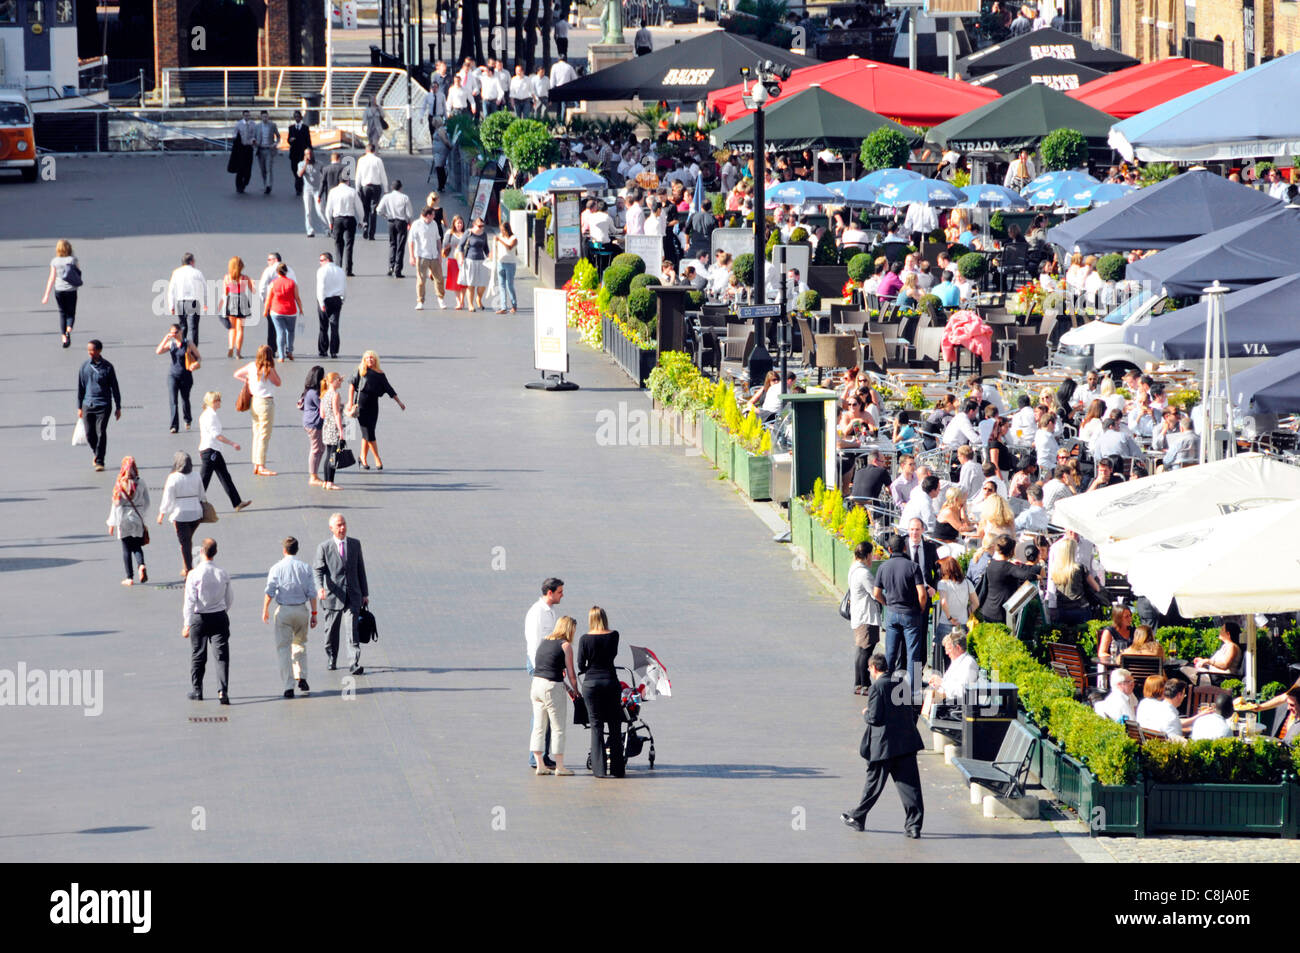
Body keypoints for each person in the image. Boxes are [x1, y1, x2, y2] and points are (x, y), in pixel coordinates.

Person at [841, 652, 925, 837]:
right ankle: (914, 826)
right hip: (905, 743)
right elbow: (910, 710)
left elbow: (875, 717)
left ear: (873, 667)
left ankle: (858, 817)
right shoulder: (900, 683)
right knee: (910, 787)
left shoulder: (877, 687)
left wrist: (865, 712)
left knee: (873, 784)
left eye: (869, 669)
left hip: (884, 746)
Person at [314, 512, 369, 675]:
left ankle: (354, 662)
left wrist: (365, 593)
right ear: (331, 528)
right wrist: (319, 588)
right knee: (331, 631)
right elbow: (318, 570)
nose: (342, 527)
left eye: (344, 524)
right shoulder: (324, 547)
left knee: (352, 629)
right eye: (339, 525)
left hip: (353, 595)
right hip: (333, 596)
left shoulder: (355, 544)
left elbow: (361, 570)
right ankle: (332, 657)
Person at [263, 536, 318, 698]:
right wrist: (314, 613)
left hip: (284, 611)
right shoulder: (306, 568)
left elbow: (270, 591)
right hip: (301, 610)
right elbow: (312, 593)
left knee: (283, 648)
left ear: (284, 550)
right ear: (297, 549)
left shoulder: (276, 568)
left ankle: (288, 686)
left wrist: (265, 609)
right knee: (300, 643)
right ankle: (301, 676)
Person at [183, 537, 234, 704]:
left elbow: (190, 600)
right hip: (219, 616)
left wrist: (187, 623)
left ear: (201, 552)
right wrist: (222, 610)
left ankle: (197, 690)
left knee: (198, 654)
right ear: (215, 552)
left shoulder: (194, 574)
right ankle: (222, 691)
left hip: (199, 617)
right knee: (221, 656)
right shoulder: (222, 572)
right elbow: (229, 598)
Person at [873, 533, 929, 685]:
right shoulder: (913, 567)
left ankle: (888, 686)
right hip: (911, 613)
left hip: (892, 613)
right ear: (905, 548)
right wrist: (921, 608)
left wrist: (886, 603)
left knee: (890, 653)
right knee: (913, 653)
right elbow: (922, 594)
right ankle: (912, 690)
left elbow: (876, 593)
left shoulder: (883, 567)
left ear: (889, 549)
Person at [578, 606, 624, 779]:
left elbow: (581, 665)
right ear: (604, 618)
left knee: (596, 726)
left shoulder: (584, 639)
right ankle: (618, 769)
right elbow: (613, 655)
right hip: (611, 682)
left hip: (591, 683)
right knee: (615, 724)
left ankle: (599, 770)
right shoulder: (614, 635)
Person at [531, 615, 580, 776]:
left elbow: (546, 667)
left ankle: (540, 765)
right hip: (552, 688)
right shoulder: (565, 646)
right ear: (569, 629)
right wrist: (576, 690)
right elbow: (571, 673)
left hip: (536, 685)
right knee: (558, 728)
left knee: (539, 727)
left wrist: (566, 686)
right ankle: (560, 766)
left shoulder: (545, 641)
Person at [524, 577, 564, 770]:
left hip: (548, 664)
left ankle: (543, 755)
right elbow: (534, 644)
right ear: (550, 592)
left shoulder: (550, 611)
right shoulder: (537, 613)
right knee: (540, 713)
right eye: (559, 592)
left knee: (547, 712)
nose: (562, 595)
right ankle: (536, 757)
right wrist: (539, 669)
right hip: (540, 666)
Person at [347, 351, 406, 470]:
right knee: (369, 433)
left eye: (372, 358)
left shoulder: (380, 373)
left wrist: (399, 402)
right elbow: (352, 386)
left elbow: (389, 388)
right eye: (367, 358)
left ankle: (362, 457)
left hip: (373, 406)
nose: (370, 360)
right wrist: (350, 402)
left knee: (368, 433)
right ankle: (377, 458)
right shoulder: (360, 370)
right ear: (364, 359)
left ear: (376, 360)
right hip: (361, 405)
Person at [233, 345, 282, 477]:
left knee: (257, 432)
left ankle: (256, 464)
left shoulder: (251, 366)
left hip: (255, 402)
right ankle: (261, 466)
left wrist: (248, 381)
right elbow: (278, 382)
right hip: (266, 402)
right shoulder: (268, 369)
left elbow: (237, 374)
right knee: (264, 434)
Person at [157, 451, 207, 578]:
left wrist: (162, 513)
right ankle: (186, 566)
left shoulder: (173, 477)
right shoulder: (196, 475)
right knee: (187, 540)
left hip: (180, 514)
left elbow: (167, 497)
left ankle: (189, 569)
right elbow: (202, 494)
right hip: (196, 513)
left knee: (185, 542)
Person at [197, 391, 250, 512]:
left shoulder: (206, 414)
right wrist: (232, 443)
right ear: (212, 402)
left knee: (225, 477)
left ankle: (237, 502)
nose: (220, 402)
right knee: (204, 480)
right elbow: (217, 435)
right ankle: (194, 504)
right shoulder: (211, 416)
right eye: (218, 400)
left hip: (212, 451)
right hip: (210, 452)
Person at [77, 339, 122, 472]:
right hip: (87, 404)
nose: (90, 352)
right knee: (90, 434)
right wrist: (79, 407)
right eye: (88, 350)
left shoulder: (108, 367)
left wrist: (118, 407)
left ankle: (100, 461)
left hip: (104, 405)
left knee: (101, 432)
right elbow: (80, 387)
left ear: (99, 350)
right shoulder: (84, 366)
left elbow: (115, 387)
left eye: (92, 350)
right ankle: (96, 453)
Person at [106, 456, 150, 586]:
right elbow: (147, 502)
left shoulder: (119, 484)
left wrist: (111, 524)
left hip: (123, 518)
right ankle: (141, 564)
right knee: (137, 545)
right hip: (137, 518)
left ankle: (129, 577)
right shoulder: (141, 483)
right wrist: (142, 514)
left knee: (126, 548)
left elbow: (116, 504)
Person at [979, 535, 1041, 624]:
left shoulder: (990, 564)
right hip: (1001, 613)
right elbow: (1025, 574)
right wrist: (1037, 576)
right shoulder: (1009, 567)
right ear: (1011, 551)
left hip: (987, 610)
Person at [848, 542, 881, 694]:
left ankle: (859, 683)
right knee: (866, 651)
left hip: (859, 615)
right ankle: (865, 684)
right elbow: (875, 593)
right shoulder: (864, 573)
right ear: (867, 555)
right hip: (866, 616)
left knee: (861, 650)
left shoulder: (854, 569)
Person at [156, 323, 199, 434]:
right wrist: (166, 338)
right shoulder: (171, 344)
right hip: (173, 375)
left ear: (181, 332)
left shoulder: (188, 343)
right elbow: (158, 351)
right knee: (173, 401)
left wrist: (195, 364)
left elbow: (199, 357)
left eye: (176, 332)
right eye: (172, 333)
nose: (174, 335)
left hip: (186, 375)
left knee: (185, 399)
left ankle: (187, 419)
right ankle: (174, 426)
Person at [1048, 535, 1098, 628]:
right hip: (1080, 609)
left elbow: (1052, 588)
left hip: (1062, 610)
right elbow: (1096, 587)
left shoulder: (1055, 570)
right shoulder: (1080, 568)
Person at [42, 239, 80, 349]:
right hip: (71, 290)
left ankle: (63, 337)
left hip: (59, 290)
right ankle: (69, 329)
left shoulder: (54, 261)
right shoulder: (73, 260)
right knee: (71, 313)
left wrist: (46, 295)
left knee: (62, 312)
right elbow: (78, 273)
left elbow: (51, 278)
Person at [261, 262, 303, 362]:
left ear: (277, 272)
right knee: (290, 331)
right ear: (286, 271)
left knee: (280, 332)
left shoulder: (273, 283)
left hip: (276, 311)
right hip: (291, 311)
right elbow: (297, 297)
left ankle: (281, 355)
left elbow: (269, 298)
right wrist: (301, 309)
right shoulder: (292, 283)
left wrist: (265, 310)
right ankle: (289, 351)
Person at [325, 176, 365, 276]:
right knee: (349, 245)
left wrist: (330, 221)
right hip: (349, 219)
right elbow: (360, 208)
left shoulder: (333, 192)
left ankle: (338, 267)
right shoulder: (352, 191)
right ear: (347, 181)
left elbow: (328, 209)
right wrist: (361, 220)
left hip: (337, 220)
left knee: (338, 244)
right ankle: (348, 269)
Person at [408, 206, 446, 311]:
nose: (435, 216)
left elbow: (438, 239)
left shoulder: (434, 224)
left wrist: (439, 253)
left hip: (434, 255)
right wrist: (411, 256)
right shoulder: (416, 225)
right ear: (428, 215)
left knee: (439, 278)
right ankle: (420, 301)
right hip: (422, 256)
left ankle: (440, 298)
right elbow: (410, 241)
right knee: (421, 280)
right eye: (433, 214)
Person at [1181, 621, 1242, 685]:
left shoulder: (1232, 646)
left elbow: (1225, 665)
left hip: (1220, 678)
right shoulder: (1226, 646)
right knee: (1185, 669)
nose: (1219, 631)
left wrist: (1208, 661)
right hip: (1213, 675)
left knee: (1183, 671)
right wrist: (1202, 661)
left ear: (1228, 634)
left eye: (1222, 629)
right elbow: (1217, 663)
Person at [166, 252, 206, 345]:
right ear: (191, 262)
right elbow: (204, 288)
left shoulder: (176, 272)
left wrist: (171, 305)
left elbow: (171, 289)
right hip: (193, 302)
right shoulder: (197, 272)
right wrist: (205, 303)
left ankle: (182, 348)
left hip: (181, 302)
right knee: (193, 327)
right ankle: (193, 351)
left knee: (183, 327)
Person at [376, 178, 413, 277]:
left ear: (392, 188)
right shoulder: (405, 197)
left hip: (391, 221)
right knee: (400, 246)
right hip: (401, 222)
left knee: (392, 244)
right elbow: (409, 213)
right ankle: (398, 269)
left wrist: (386, 216)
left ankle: (391, 266)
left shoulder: (386, 197)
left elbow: (379, 210)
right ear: (400, 188)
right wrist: (409, 222)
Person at [928, 630, 979, 701]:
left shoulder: (968, 663)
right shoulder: (957, 661)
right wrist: (938, 682)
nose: (946, 653)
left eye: (949, 649)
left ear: (958, 648)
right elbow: (951, 684)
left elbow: (962, 691)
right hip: (944, 700)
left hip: (953, 706)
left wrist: (941, 683)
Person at [314, 251, 347, 360]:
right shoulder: (340, 270)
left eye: (321, 260)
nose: (320, 263)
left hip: (325, 299)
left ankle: (323, 350)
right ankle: (334, 351)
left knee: (323, 327)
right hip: (337, 299)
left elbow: (320, 287)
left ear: (327, 260)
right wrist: (343, 299)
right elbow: (344, 286)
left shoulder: (322, 271)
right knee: (335, 326)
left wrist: (321, 302)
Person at [936, 556, 978, 641]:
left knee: (945, 651)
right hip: (962, 622)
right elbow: (976, 603)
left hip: (945, 623)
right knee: (960, 650)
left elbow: (943, 602)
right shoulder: (967, 582)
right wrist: (968, 612)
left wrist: (950, 618)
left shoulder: (943, 583)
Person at [221, 256, 255, 359]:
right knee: (240, 329)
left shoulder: (227, 277)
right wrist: (253, 283)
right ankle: (238, 352)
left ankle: (231, 346)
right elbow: (253, 290)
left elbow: (225, 292)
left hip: (231, 300)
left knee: (232, 327)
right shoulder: (245, 278)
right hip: (242, 300)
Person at [297, 366, 325, 487]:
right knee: (316, 449)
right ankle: (313, 476)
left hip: (311, 422)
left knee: (320, 448)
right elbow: (324, 407)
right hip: (313, 424)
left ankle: (315, 474)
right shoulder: (314, 393)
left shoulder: (309, 391)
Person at [355, 142, 389, 242]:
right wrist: (386, 189)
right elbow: (383, 175)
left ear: (366, 150)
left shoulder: (361, 160)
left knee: (365, 209)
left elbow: (358, 175)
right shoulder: (378, 160)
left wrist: (357, 188)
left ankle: (365, 226)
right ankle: (372, 233)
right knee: (374, 210)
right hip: (376, 187)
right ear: (374, 150)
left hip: (365, 186)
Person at [319, 372, 345, 491]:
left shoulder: (324, 394)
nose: (340, 382)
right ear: (333, 381)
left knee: (328, 454)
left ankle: (325, 481)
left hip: (326, 426)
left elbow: (322, 414)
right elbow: (336, 413)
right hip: (333, 427)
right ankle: (330, 482)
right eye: (338, 380)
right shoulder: (335, 395)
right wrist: (341, 430)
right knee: (333, 455)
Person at [459, 217, 492, 311]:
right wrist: (461, 258)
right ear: (474, 225)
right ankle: (470, 304)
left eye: (483, 226)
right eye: (479, 226)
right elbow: (461, 245)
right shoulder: (469, 233)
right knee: (471, 284)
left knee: (483, 283)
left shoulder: (484, 234)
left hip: (481, 260)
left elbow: (486, 247)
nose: (482, 227)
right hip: (470, 260)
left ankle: (479, 299)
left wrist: (490, 256)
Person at [443, 215, 469, 310]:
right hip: (452, 260)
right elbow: (444, 245)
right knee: (455, 282)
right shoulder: (449, 233)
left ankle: (462, 301)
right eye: (457, 223)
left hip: (463, 260)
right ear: (454, 223)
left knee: (463, 282)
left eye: (461, 223)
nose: (459, 225)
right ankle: (458, 301)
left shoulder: (466, 234)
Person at [494, 221, 519, 314]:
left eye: (503, 230)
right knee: (501, 285)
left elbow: (509, 247)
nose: (502, 232)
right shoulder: (500, 236)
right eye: (501, 230)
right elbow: (496, 247)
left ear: (507, 230)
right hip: (501, 262)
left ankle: (514, 305)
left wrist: (500, 240)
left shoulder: (514, 238)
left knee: (510, 285)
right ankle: (503, 307)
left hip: (510, 263)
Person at [286, 110, 312, 197]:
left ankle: (298, 188)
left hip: (302, 153)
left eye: (298, 116)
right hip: (294, 153)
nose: (297, 118)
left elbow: (308, 140)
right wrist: (290, 140)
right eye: (295, 117)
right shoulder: (291, 128)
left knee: (301, 170)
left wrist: (310, 150)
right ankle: (299, 181)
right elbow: (288, 139)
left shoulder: (305, 128)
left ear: (301, 118)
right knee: (294, 169)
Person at [229, 110, 255, 193]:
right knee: (240, 168)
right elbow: (234, 135)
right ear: (243, 116)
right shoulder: (238, 124)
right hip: (241, 148)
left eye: (248, 115)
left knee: (248, 168)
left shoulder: (253, 124)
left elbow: (254, 134)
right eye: (245, 115)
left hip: (249, 148)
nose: (247, 117)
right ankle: (239, 186)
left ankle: (245, 182)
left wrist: (253, 140)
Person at [254, 110, 279, 194]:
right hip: (260, 150)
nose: (265, 118)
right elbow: (253, 137)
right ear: (261, 117)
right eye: (263, 116)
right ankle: (265, 185)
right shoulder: (257, 126)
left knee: (269, 169)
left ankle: (269, 185)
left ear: (268, 117)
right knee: (263, 170)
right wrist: (254, 142)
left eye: (266, 116)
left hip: (269, 150)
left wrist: (275, 144)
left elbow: (278, 136)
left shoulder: (272, 125)